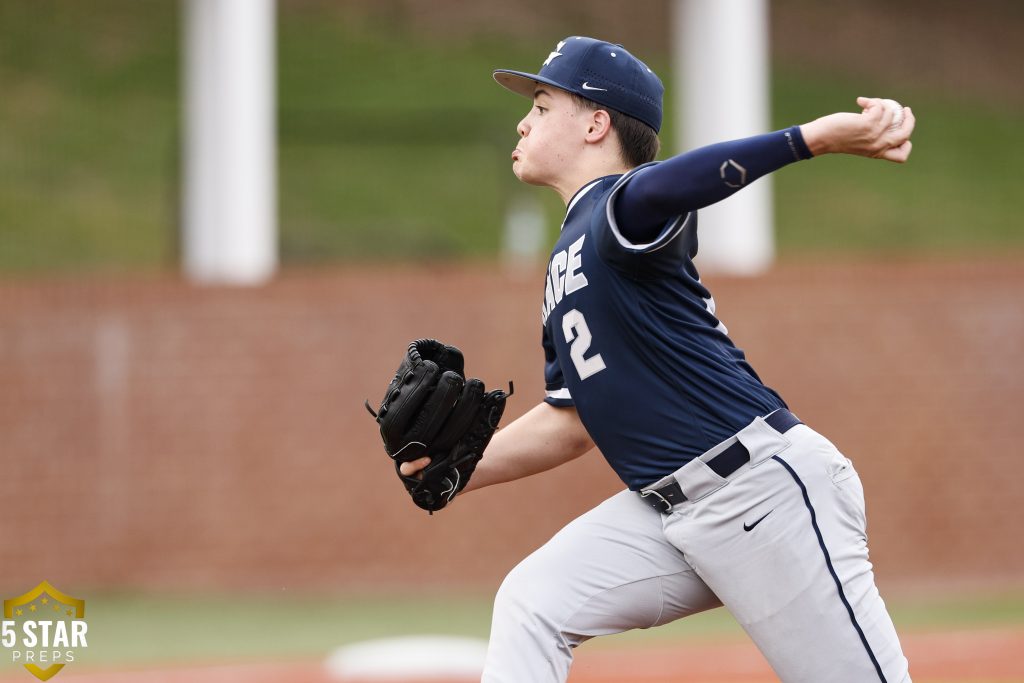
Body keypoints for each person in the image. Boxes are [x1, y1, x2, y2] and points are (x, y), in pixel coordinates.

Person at [401, 36, 914, 682]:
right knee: (533, 602)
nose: (523, 122)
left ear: (596, 123)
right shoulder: (568, 255)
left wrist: (812, 138)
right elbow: (571, 420)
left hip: (760, 490)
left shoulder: (621, 210)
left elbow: (675, 182)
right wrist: (454, 469)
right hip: (669, 511)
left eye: (542, 105)